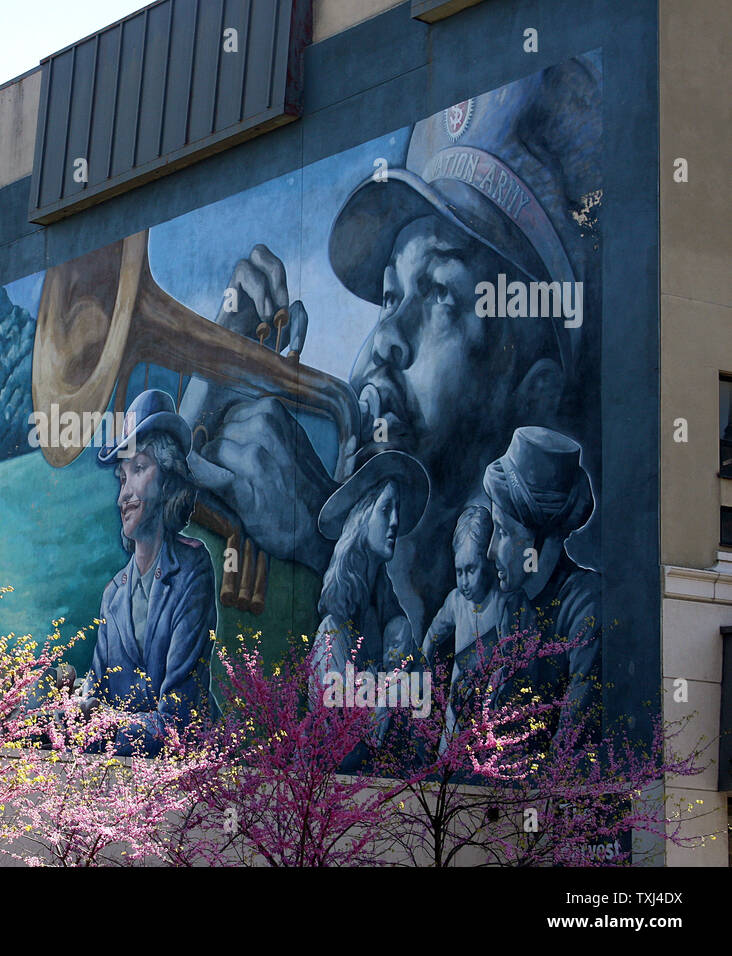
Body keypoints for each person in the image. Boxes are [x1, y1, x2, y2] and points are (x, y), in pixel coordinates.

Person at [180, 57, 603, 642]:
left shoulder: (535, 618)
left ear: (534, 392)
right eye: (388, 297)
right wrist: (210, 373)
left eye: (441, 296)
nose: (386, 339)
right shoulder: (334, 542)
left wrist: (312, 543)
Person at [78, 389, 219, 756]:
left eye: (138, 470)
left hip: (192, 784)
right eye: (122, 479)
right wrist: (77, 708)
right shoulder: (113, 596)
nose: (123, 496)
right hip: (122, 783)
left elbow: (179, 721)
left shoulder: (192, 569)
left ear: (169, 479)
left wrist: (102, 727)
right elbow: (97, 689)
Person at [482, 426, 601, 746]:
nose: (491, 550)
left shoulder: (586, 606)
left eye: (503, 532)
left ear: (543, 540)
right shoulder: (514, 607)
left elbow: (575, 737)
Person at [311, 449, 429, 745]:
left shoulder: (390, 616)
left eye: (397, 510)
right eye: (386, 508)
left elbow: (420, 697)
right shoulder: (333, 630)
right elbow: (335, 727)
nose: (395, 522)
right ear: (363, 516)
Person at [421, 507, 529, 748]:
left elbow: (516, 662)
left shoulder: (506, 601)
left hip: (493, 713)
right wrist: (425, 662)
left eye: (471, 570)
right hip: (456, 714)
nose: (464, 582)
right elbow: (432, 636)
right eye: (459, 572)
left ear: (488, 562)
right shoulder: (456, 601)